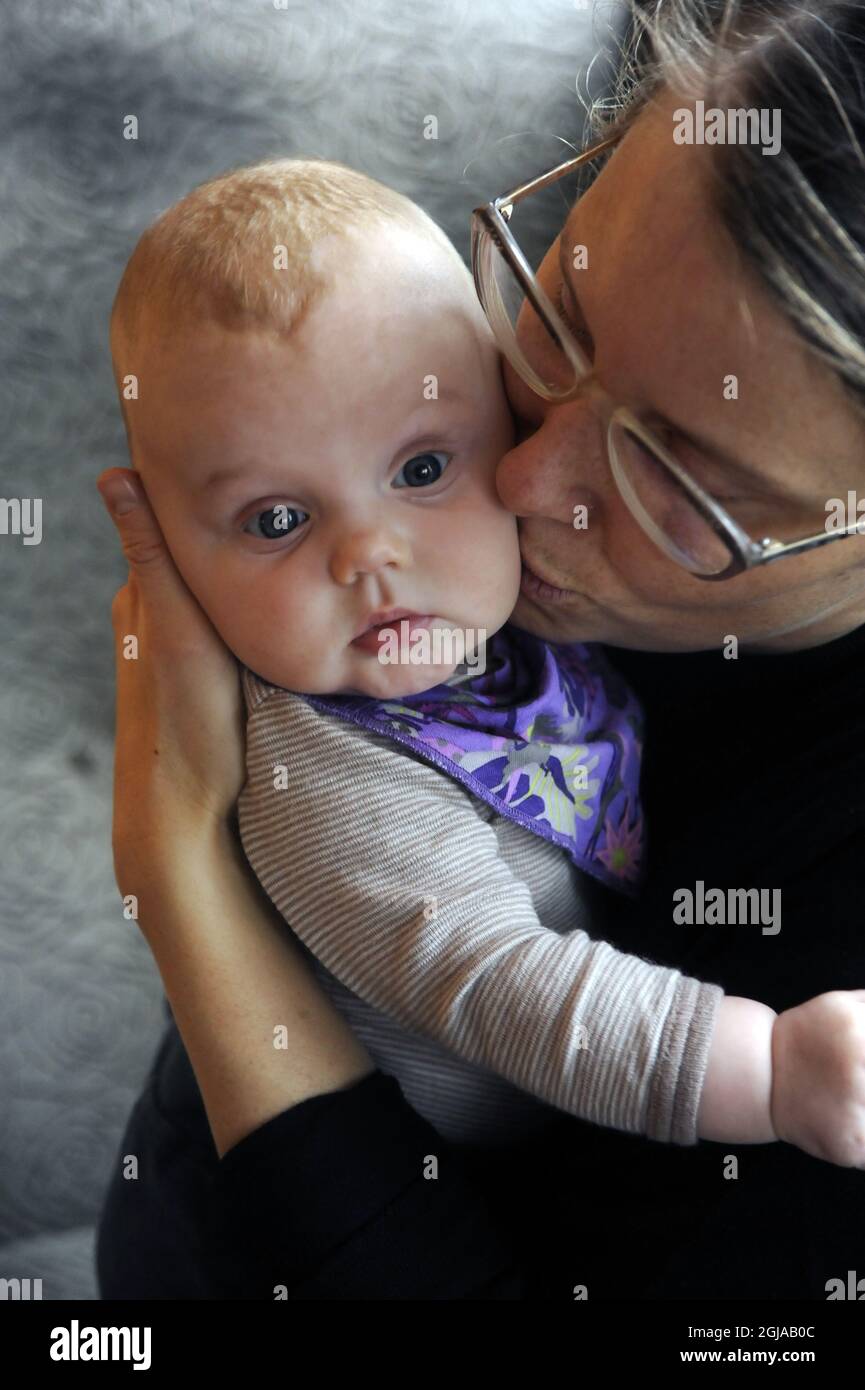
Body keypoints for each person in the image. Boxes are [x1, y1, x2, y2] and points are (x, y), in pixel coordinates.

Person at [96, 0, 865, 1300]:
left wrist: (174, 860)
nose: (515, 475)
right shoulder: (354, 724)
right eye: (558, 313)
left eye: (681, 471)